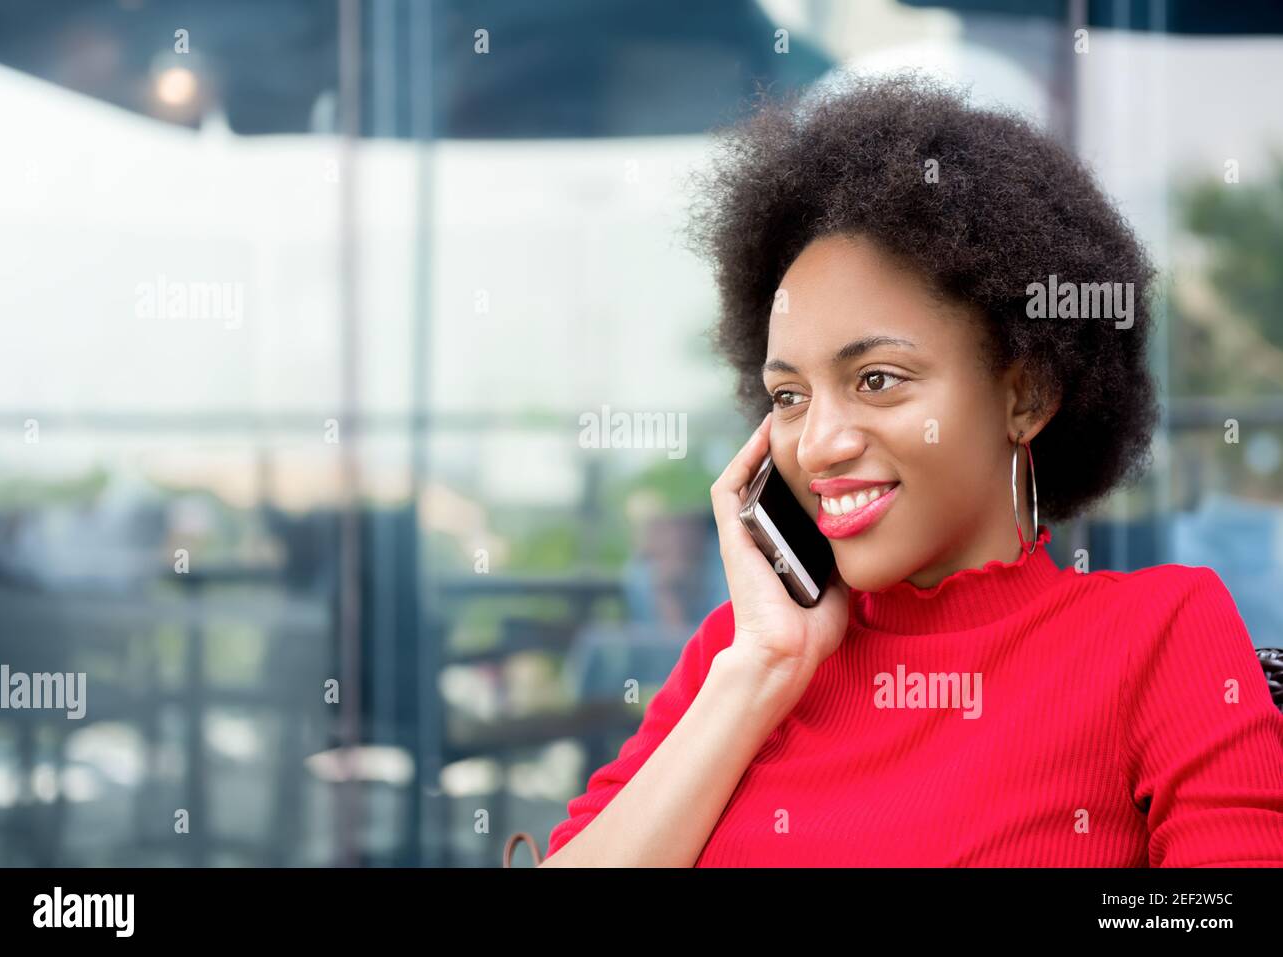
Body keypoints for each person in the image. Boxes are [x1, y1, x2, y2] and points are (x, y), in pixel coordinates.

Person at [540, 71, 1283, 867]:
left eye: (877, 380)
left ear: (1025, 393)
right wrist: (764, 670)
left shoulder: (1159, 636)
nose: (819, 442)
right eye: (788, 395)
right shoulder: (742, 654)